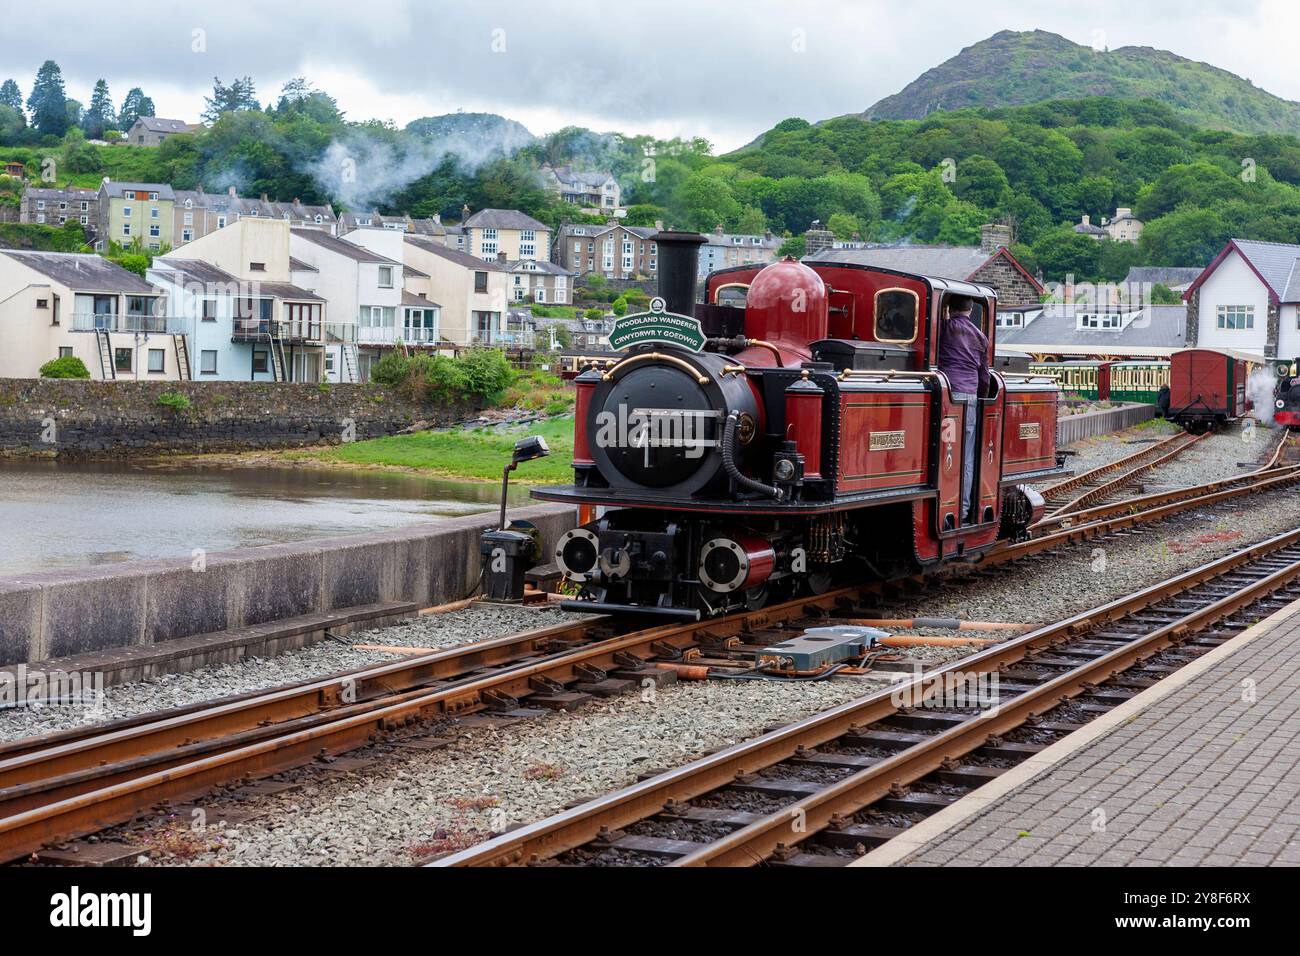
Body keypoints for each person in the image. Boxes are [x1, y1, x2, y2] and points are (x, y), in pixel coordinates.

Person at [936, 295, 990, 522]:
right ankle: (963, 509)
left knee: (943, 453)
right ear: (970, 310)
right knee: (966, 455)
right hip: (970, 395)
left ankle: (945, 507)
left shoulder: (945, 328)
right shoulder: (980, 336)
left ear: (949, 308)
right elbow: (984, 376)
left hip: (948, 393)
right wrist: (981, 399)